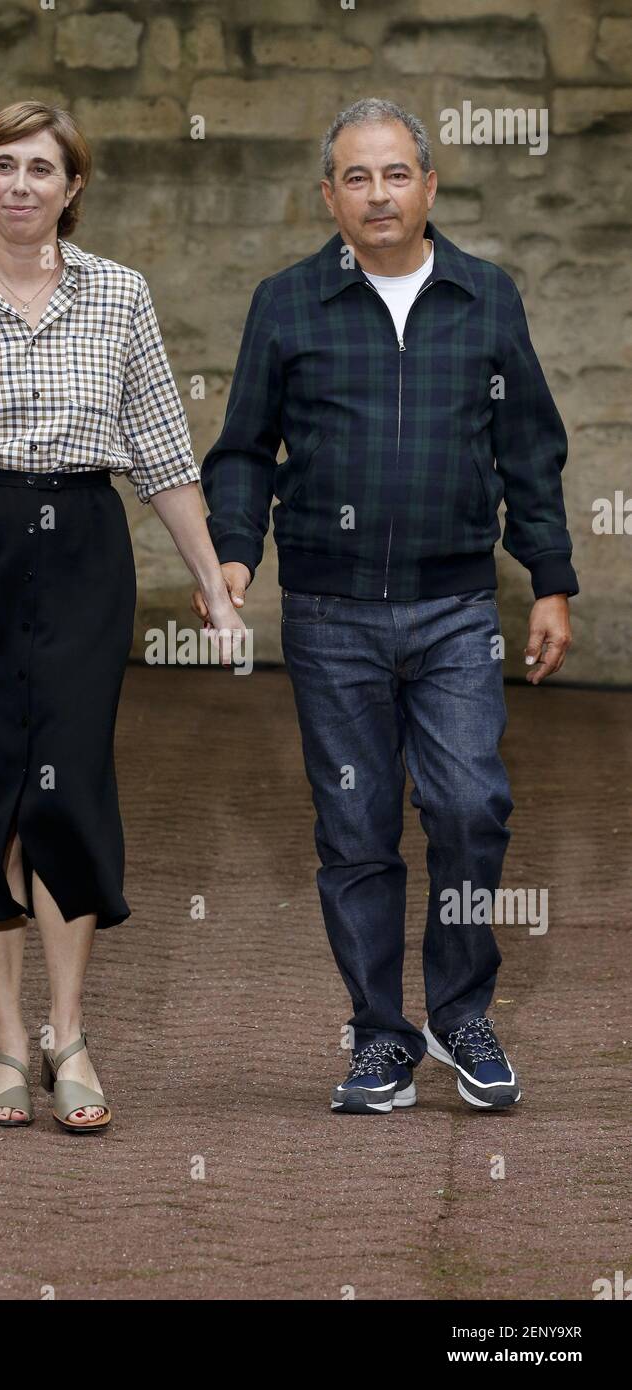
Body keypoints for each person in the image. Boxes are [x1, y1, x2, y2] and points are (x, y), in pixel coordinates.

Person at [0, 101, 243, 1132]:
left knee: (61, 789)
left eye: (41, 169)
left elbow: (160, 448)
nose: (20, 185)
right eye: (3, 166)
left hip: (79, 549)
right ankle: (5, 1042)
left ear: (73, 190)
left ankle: (70, 1034)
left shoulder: (118, 295)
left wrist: (209, 579)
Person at [196, 98, 577, 1115]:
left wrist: (549, 579)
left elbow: (529, 451)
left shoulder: (484, 297)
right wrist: (234, 556)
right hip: (328, 616)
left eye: (396, 173)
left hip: (455, 608)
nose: (378, 193)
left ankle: (458, 1012)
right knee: (356, 829)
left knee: (468, 806)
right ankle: (377, 1037)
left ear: (429, 185)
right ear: (328, 195)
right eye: (355, 177)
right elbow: (241, 448)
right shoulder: (285, 304)